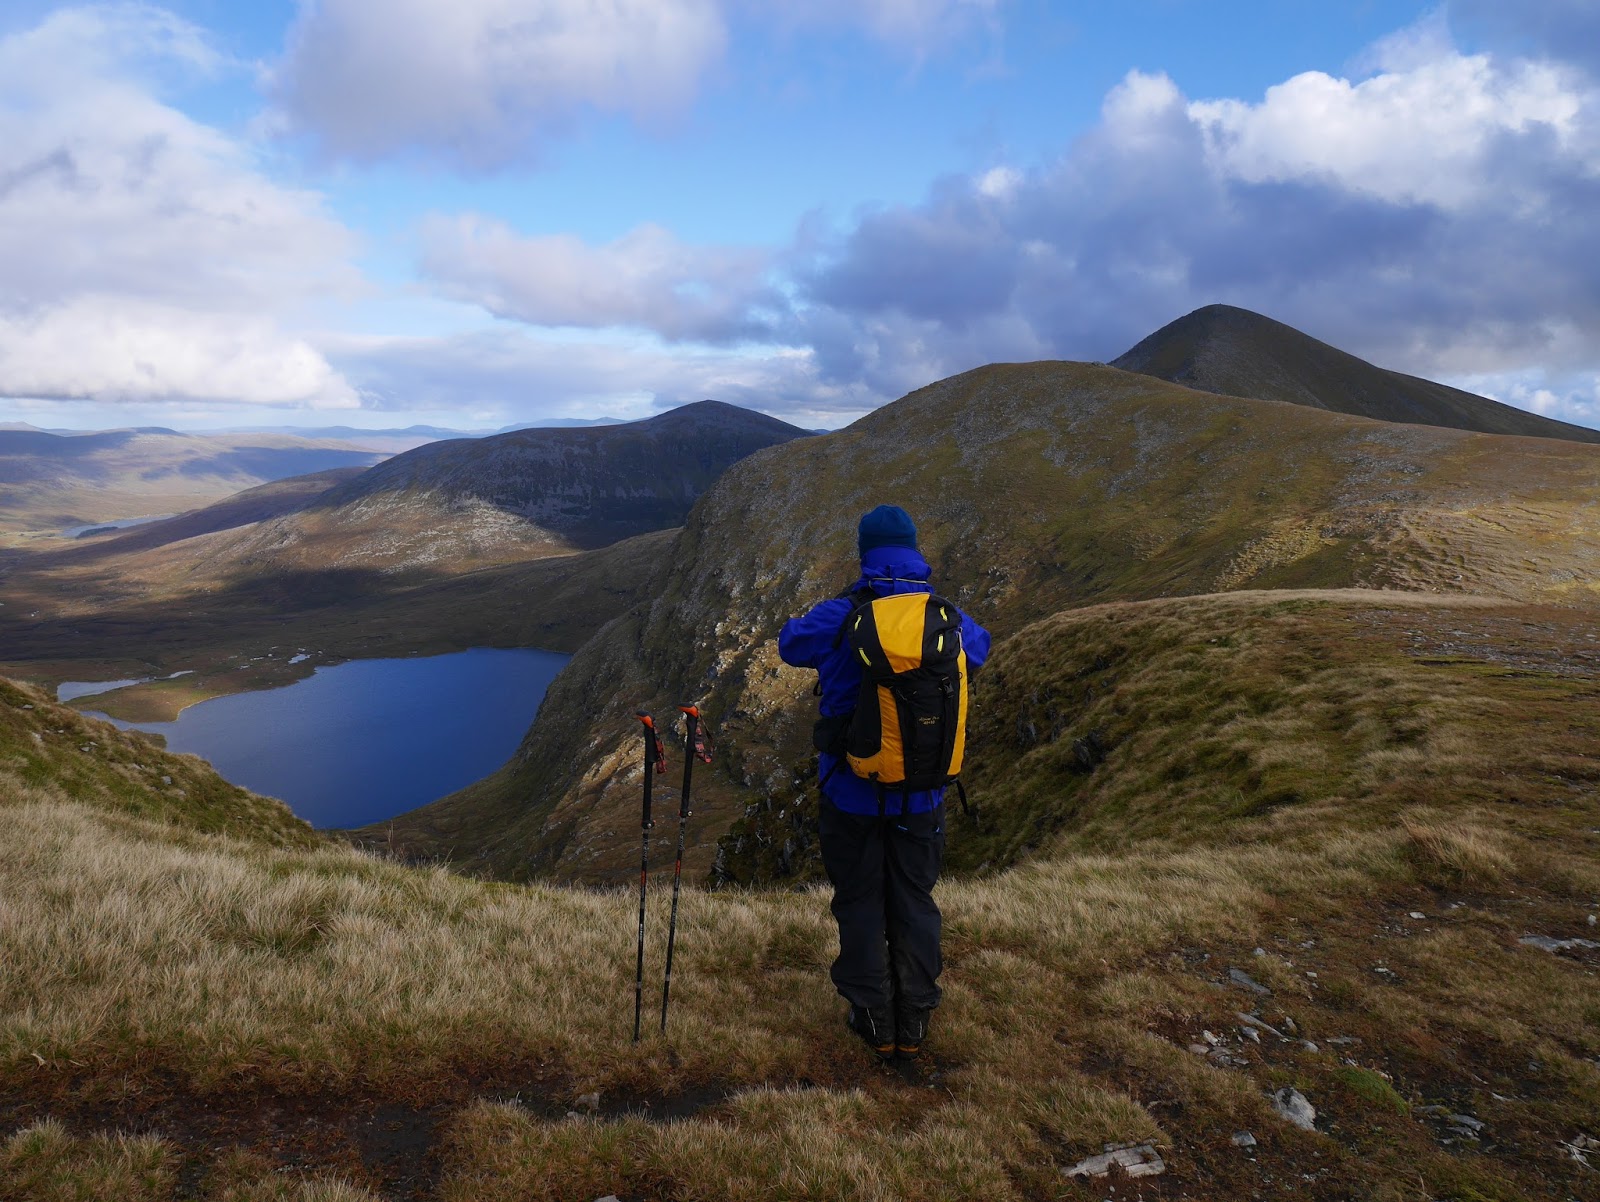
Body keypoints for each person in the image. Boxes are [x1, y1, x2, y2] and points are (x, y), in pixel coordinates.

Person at [778, 505, 991, 1060]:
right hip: (923, 795)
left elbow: (790, 644)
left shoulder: (842, 613)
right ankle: (916, 1016)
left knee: (861, 900)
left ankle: (872, 1015)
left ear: (865, 552)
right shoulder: (946, 617)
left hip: (851, 792)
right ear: (915, 551)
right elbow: (983, 649)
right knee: (915, 899)